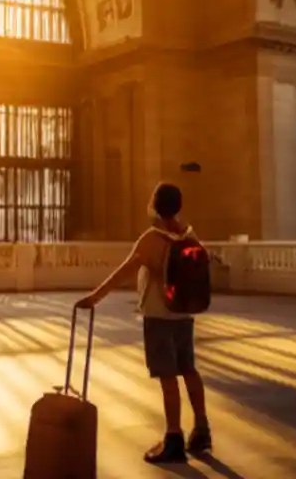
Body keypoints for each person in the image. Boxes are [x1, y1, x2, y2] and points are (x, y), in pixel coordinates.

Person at [75, 182, 210, 464]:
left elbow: (124, 271)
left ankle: (173, 436)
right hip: (184, 314)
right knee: (189, 369)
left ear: (155, 205)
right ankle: (202, 428)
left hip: (159, 316)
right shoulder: (188, 234)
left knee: (167, 376)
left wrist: (94, 297)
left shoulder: (152, 238)